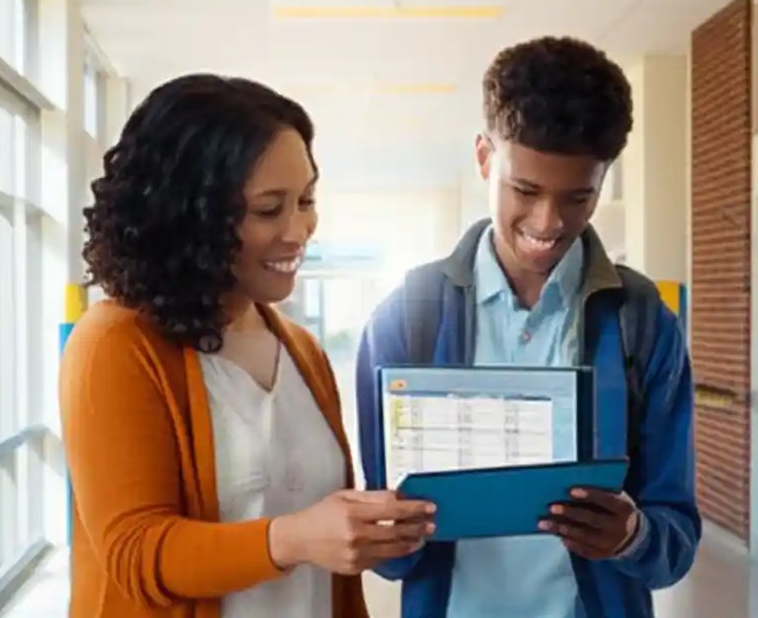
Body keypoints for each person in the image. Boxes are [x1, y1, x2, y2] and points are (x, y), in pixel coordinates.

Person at [61, 74, 435, 618]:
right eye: (268, 209)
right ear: (193, 216)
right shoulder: (115, 344)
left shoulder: (304, 352)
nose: (299, 230)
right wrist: (293, 539)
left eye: (306, 199)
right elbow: (136, 551)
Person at [355, 37, 700, 617]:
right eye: (526, 190)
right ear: (486, 157)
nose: (548, 222)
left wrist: (632, 536)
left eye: (578, 197)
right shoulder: (406, 317)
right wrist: (389, 534)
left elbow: (676, 542)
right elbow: (387, 553)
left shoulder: (642, 323)